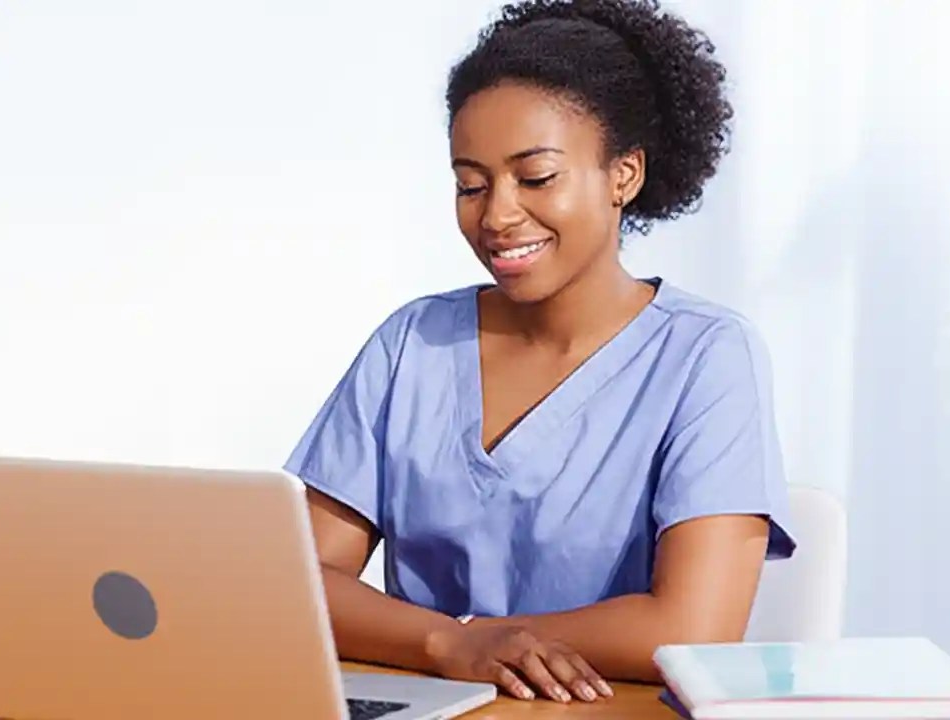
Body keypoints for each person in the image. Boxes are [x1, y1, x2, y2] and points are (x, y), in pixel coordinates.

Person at [284, 0, 795, 704]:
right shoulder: (413, 346)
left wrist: (466, 638)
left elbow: (693, 626)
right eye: (470, 184)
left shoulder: (706, 357)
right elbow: (295, 582)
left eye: (536, 178)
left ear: (623, 175)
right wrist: (451, 641)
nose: (496, 215)